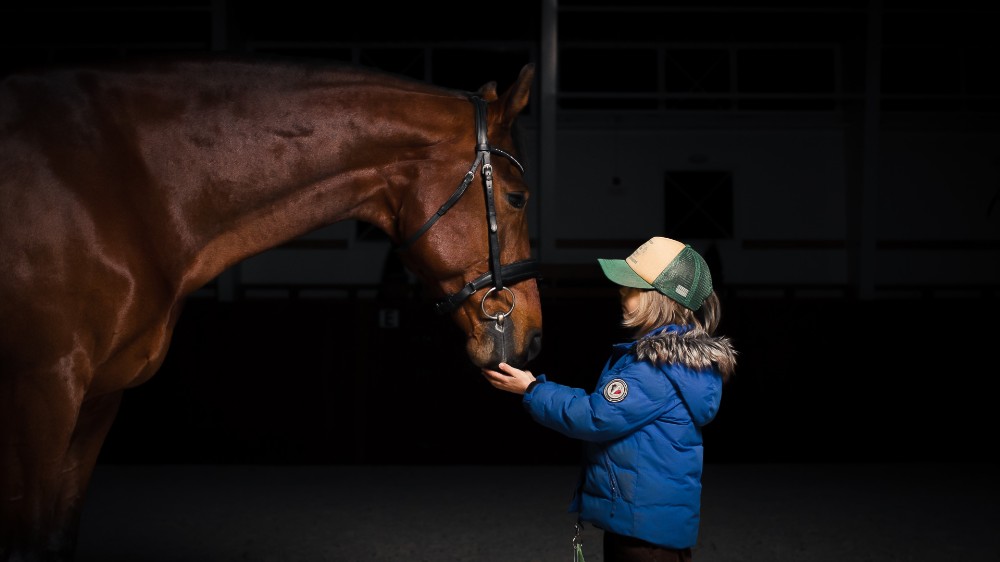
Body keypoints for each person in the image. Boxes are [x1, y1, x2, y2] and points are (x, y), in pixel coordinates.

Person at [482, 236, 737, 562]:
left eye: (632, 287)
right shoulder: (674, 363)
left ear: (659, 299)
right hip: (649, 526)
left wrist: (533, 390)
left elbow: (595, 417)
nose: (621, 291)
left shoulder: (655, 367)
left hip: (641, 532)